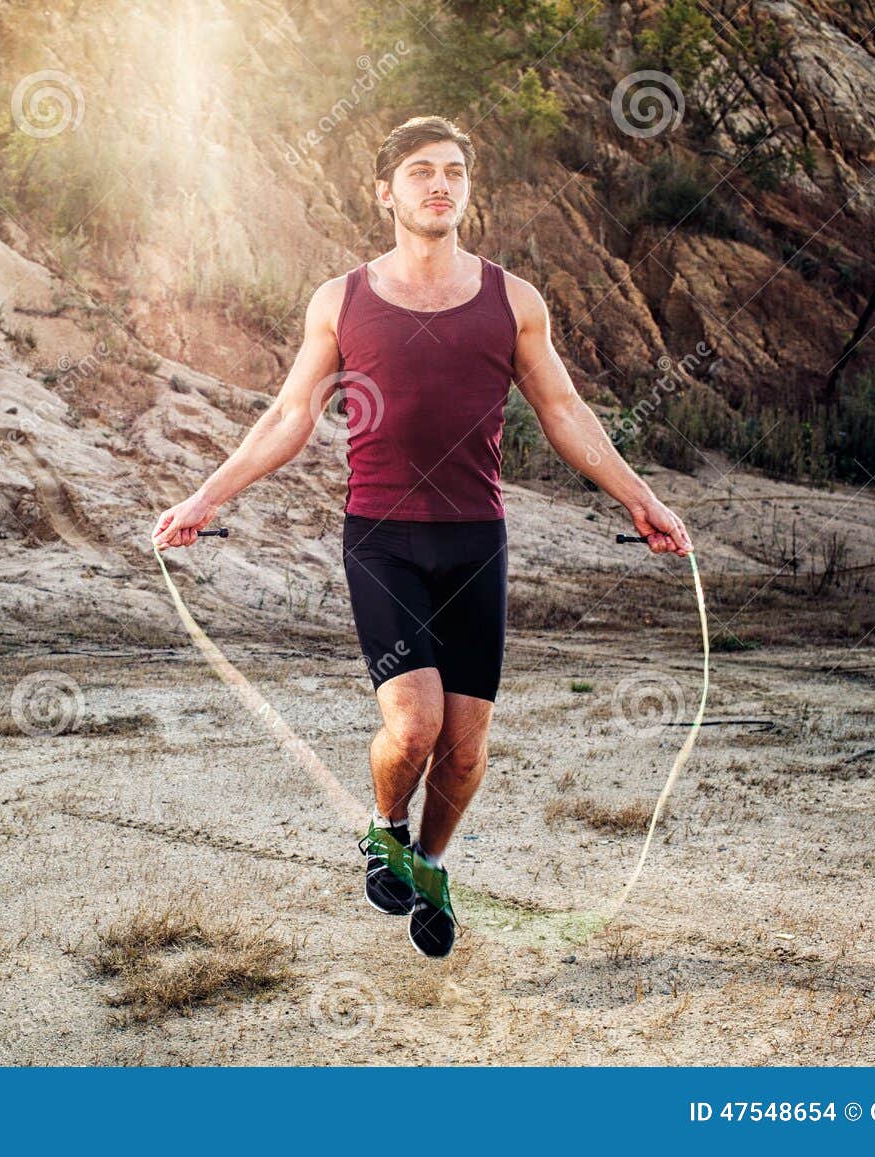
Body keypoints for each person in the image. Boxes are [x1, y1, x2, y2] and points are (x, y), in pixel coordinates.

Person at [150, 115, 693, 958]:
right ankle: (385, 826)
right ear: (386, 192)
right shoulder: (342, 300)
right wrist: (203, 498)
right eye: (419, 173)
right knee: (415, 728)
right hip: (383, 537)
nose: (439, 185)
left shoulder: (512, 300)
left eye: (452, 173)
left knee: (467, 750)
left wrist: (639, 497)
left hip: (476, 541)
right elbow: (292, 415)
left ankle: (431, 864)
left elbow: (563, 410)